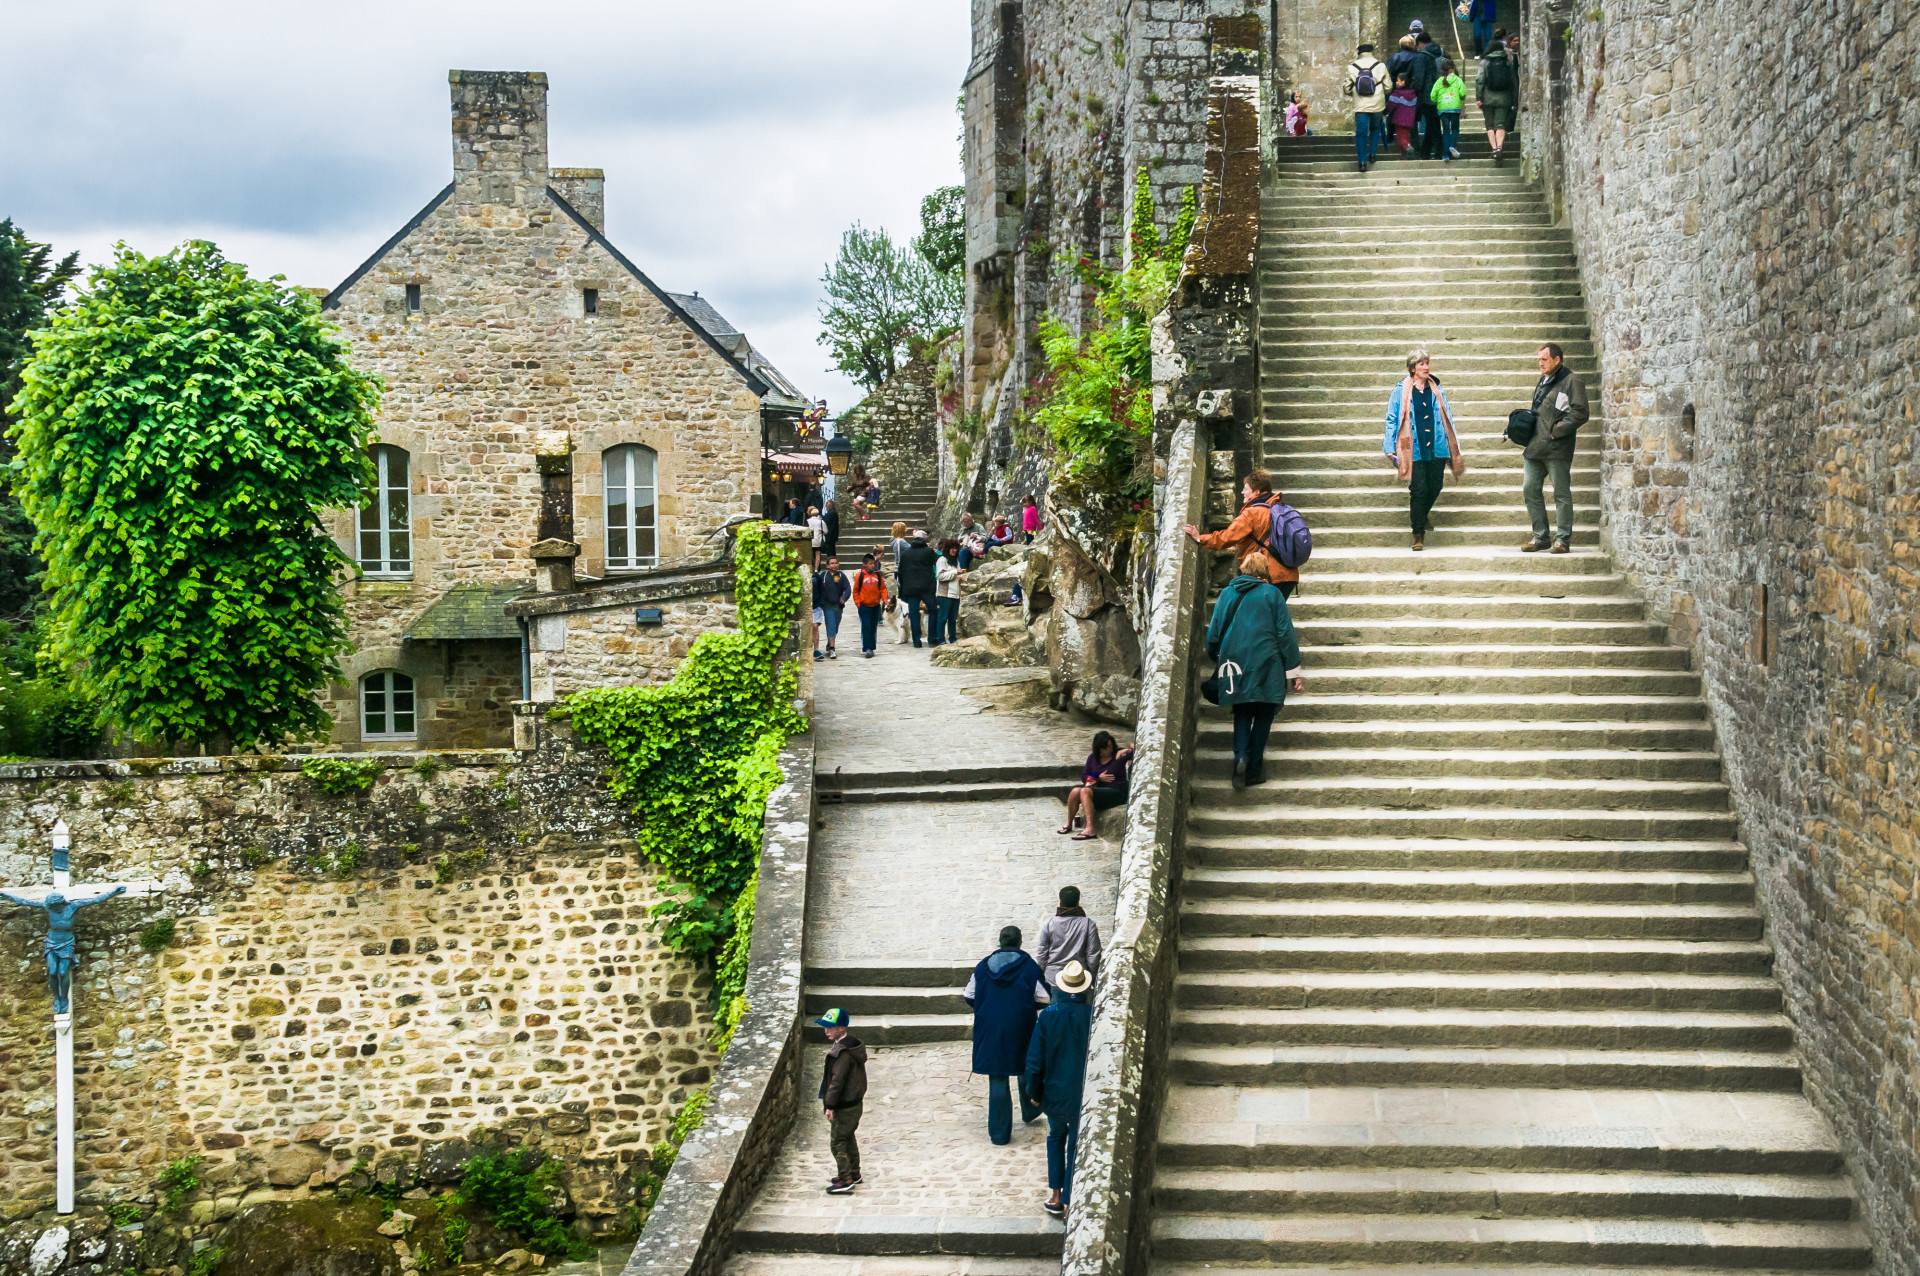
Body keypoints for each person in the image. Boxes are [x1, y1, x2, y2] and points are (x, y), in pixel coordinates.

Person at [1205, 553, 1305, 786]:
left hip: (1236, 664)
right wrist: (1293, 672)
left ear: (1243, 569)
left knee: (1242, 711)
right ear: (1264, 572)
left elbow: (1213, 634)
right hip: (1268, 664)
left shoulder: (1227, 593)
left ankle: (1240, 756)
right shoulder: (1272, 595)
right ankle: (1254, 769)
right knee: (1263, 714)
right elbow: (1285, 634)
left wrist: (1217, 657)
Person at [964, 925, 1048, 1145]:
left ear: (1000, 941)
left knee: (998, 1076)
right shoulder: (1028, 966)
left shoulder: (983, 967)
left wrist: (989, 1005)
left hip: (990, 1027)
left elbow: (969, 995)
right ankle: (1030, 1111)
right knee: (1025, 1068)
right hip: (1021, 1025)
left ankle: (1000, 1134)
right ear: (1020, 942)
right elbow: (1044, 997)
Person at [1025, 960, 1092, 1220]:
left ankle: (1055, 1194)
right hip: (1081, 1090)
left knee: (1055, 1138)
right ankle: (1068, 1201)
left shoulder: (1048, 1015)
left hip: (1053, 1090)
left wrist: (1034, 1092)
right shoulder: (1092, 1015)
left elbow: (1034, 1062)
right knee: (1075, 1142)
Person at [1382, 348, 1465, 551]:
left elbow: (1448, 416)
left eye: (1427, 363)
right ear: (1412, 368)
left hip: (1436, 445)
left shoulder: (1437, 388)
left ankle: (1421, 514)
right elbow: (1392, 418)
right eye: (1421, 364)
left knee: (1435, 486)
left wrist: (1455, 443)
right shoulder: (1401, 390)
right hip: (1413, 447)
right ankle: (1418, 533)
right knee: (1419, 489)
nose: (1426, 367)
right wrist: (1388, 444)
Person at [1181, 469, 1301, 595]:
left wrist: (1200, 537)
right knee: (1273, 612)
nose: (1242, 492)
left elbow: (1227, 537)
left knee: (1260, 613)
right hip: (1289, 574)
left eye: (1246, 489)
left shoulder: (1252, 513)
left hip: (1267, 575)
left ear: (1256, 492)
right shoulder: (1279, 508)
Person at [1521, 342, 1590, 554]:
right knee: (1529, 489)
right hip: (1535, 447)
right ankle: (1540, 537)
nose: (1540, 364)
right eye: (1539, 360)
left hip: (1557, 448)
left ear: (1556, 360)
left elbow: (1580, 412)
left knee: (1561, 494)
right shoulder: (1543, 381)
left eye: (1544, 359)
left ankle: (1562, 540)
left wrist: (1556, 431)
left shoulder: (1572, 380)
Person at [815, 1008, 868, 1194]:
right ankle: (854, 1173)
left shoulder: (843, 1053)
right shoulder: (851, 1047)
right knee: (848, 1137)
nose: (826, 1030)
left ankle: (846, 1180)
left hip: (845, 1105)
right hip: (854, 1103)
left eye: (830, 1027)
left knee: (837, 1142)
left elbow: (836, 1082)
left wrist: (830, 1105)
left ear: (841, 1028)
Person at [1059, 730, 1133, 840]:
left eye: (1111, 746)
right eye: (1106, 747)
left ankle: (1090, 829)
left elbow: (1138, 748)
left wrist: (1128, 749)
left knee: (1085, 791)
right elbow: (1084, 777)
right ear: (1099, 749)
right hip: (1100, 791)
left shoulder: (1119, 754)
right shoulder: (1092, 758)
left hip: (1117, 791)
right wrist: (1098, 777)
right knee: (1075, 791)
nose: (1110, 749)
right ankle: (1068, 824)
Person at [1035, 886, 1102, 1002]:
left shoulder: (1049, 924)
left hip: (1053, 980)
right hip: (1079, 979)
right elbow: (1093, 957)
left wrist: (1040, 978)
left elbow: (1041, 955)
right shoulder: (1088, 924)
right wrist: (1094, 979)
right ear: (1078, 902)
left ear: (1060, 903)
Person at [1344, 44, 1389, 172]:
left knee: (1361, 133)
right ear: (1371, 52)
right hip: (1377, 104)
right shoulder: (1381, 66)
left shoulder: (1352, 67)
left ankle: (1362, 161)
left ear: (1359, 53)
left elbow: (1347, 88)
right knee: (1375, 128)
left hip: (1361, 105)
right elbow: (1388, 87)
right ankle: (1373, 154)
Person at [1477, 30, 1519, 165]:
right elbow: (1513, 81)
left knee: (1490, 125)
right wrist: (1514, 98)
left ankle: (1494, 149)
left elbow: (1479, 80)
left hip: (1488, 97)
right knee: (1500, 124)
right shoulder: (1508, 62)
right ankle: (1500, 147)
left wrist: (1479, 97)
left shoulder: (1484, 62)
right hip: (1504, 97)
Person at [896, 531, 940, 648]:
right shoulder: (928, 552)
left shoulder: (906, 553)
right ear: (925, 541)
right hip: (927, 587)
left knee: (914, 614)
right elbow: (939, 562)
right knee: (933, 610)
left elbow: (900, 572)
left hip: (911, 589)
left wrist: (902, 588)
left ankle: (916, 640)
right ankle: (932, 638)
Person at [813, 555, 851, 660]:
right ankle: (832, 648)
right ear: (827, 565)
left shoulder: (841, 575)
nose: (834, 565)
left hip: (838, 606)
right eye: (832, 563)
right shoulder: (823, 576)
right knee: (831, 624)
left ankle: (829, 643)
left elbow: (847, 588)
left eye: (836, 563)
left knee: (836, 626)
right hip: (827, 605)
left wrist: (844, 597)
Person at [851, 553, 889, 658]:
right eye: (870, 563)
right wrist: (858, 604)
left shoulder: (878, 575)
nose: (873, 565)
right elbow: (855, 591)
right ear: (865, 564)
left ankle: (872, 647)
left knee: (873, 627)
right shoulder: (860, 575)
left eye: (873, 563)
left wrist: (885, 599)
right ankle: (867, 648)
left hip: (875, 605)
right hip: (864, 606)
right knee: (866, 627)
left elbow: (882, 588)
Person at [1411, 32, 1443, 158]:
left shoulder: (1421, 56)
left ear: (1420, 43)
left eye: (1417, 46)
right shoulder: (1441, 53)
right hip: (1441, 94)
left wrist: (1416, 92)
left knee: (1433, 124)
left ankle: (1440, 150)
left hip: (1426, 95)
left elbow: (1419, 77)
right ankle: (1425, 152)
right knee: (1432, 122)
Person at [1431, 58, 1467, 162]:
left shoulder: (1439, 81)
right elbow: (1463, 93)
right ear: (1453, 68)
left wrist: (1439, 101)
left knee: (1445, 131)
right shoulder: (1458, 80)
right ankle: (1452, 145)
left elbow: (1432, 96)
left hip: (1443, 109)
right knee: (1455, 129)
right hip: (1455, 108)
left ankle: (1445, 155)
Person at [933, 539, 967, 646]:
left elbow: (955, 574)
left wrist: (961, 576)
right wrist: (955, 572)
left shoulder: (956, 561)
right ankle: (941, 639)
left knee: (952, 618)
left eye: (956, 548)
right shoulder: (942, 560)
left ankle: (953, 638)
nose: (954, 550)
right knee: (942, 618)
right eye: (952, 548)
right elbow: (940, 576)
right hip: (944, 594)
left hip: (955, 593)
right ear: (947, 549)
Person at [1387, 73, 1421, 156]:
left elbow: (1390, 106)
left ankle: (1408, 147)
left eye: (1399, 81)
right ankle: (1404, 154)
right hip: (1409, 120)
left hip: (1399, 119)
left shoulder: (1396, 94)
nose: (1397, 83)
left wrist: (1385, 111)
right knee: (1405, 136)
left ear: (1404, 82)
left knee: (1400, 137)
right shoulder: (1413, 94)